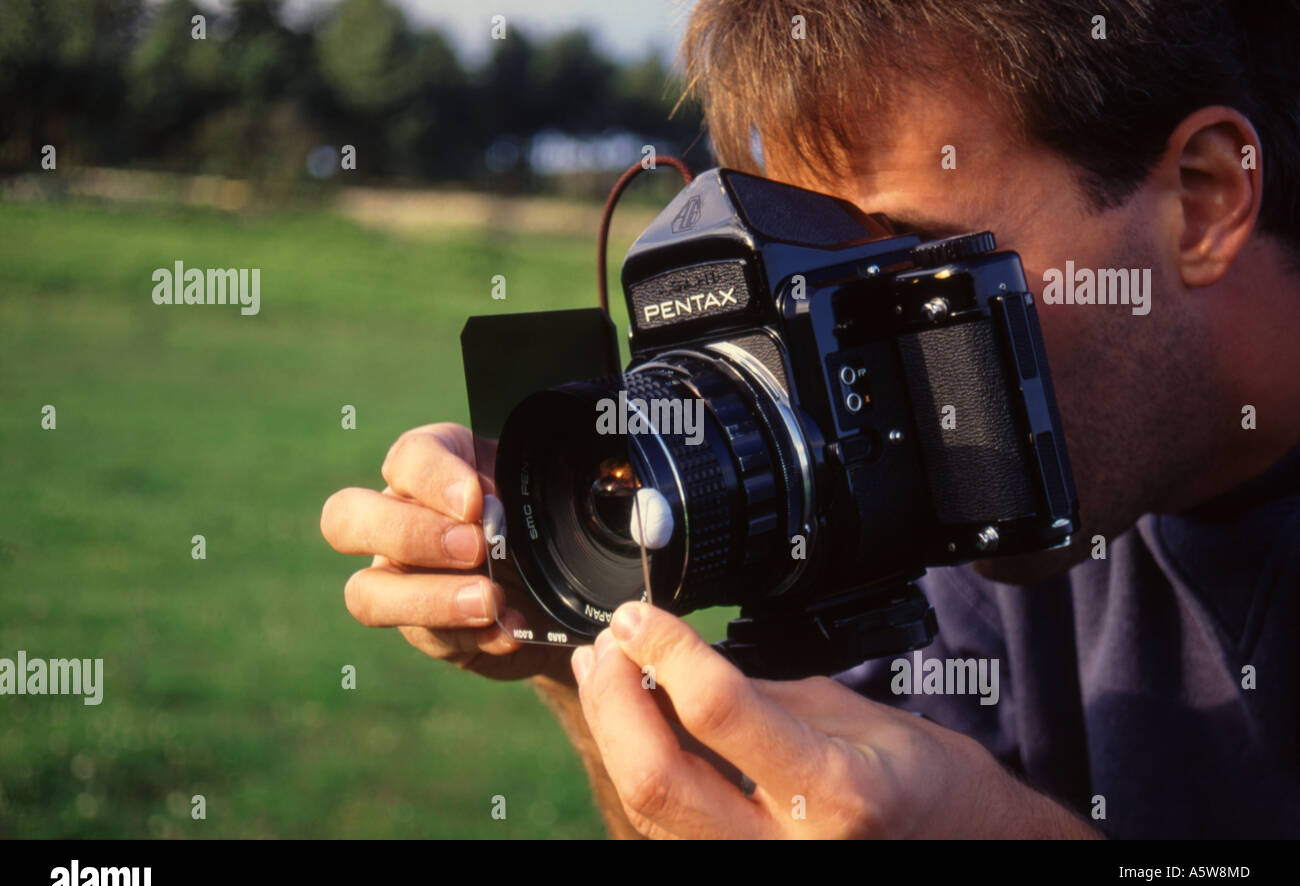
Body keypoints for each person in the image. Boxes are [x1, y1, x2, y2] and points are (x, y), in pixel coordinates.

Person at [320, 0, 1300, 838]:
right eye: (814, 289)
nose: (830, 377)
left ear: (1203, 200)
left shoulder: (1034, 463)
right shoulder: (988, 521)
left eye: (898, 266)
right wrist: (578, 635)